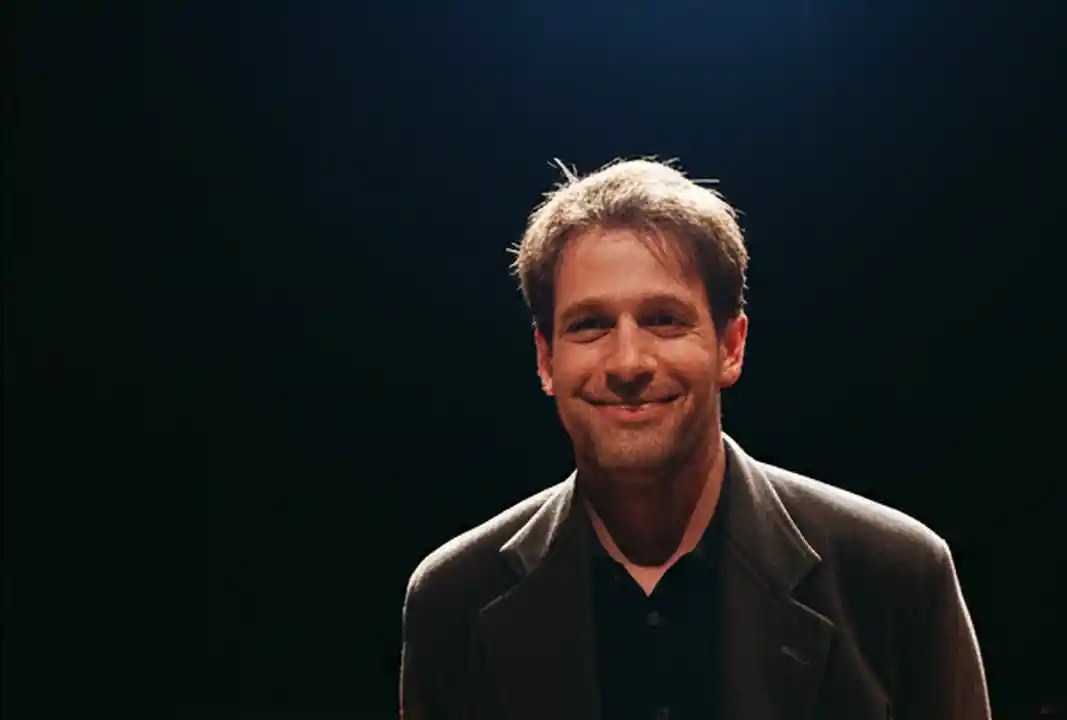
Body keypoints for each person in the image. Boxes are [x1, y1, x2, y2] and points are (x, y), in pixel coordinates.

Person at [399, 158, 991, 720]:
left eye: (663, 319)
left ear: (731, 347)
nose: (628, 361)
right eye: (591, 325)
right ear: (545, 359)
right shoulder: (453, 601)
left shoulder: (897, 579)